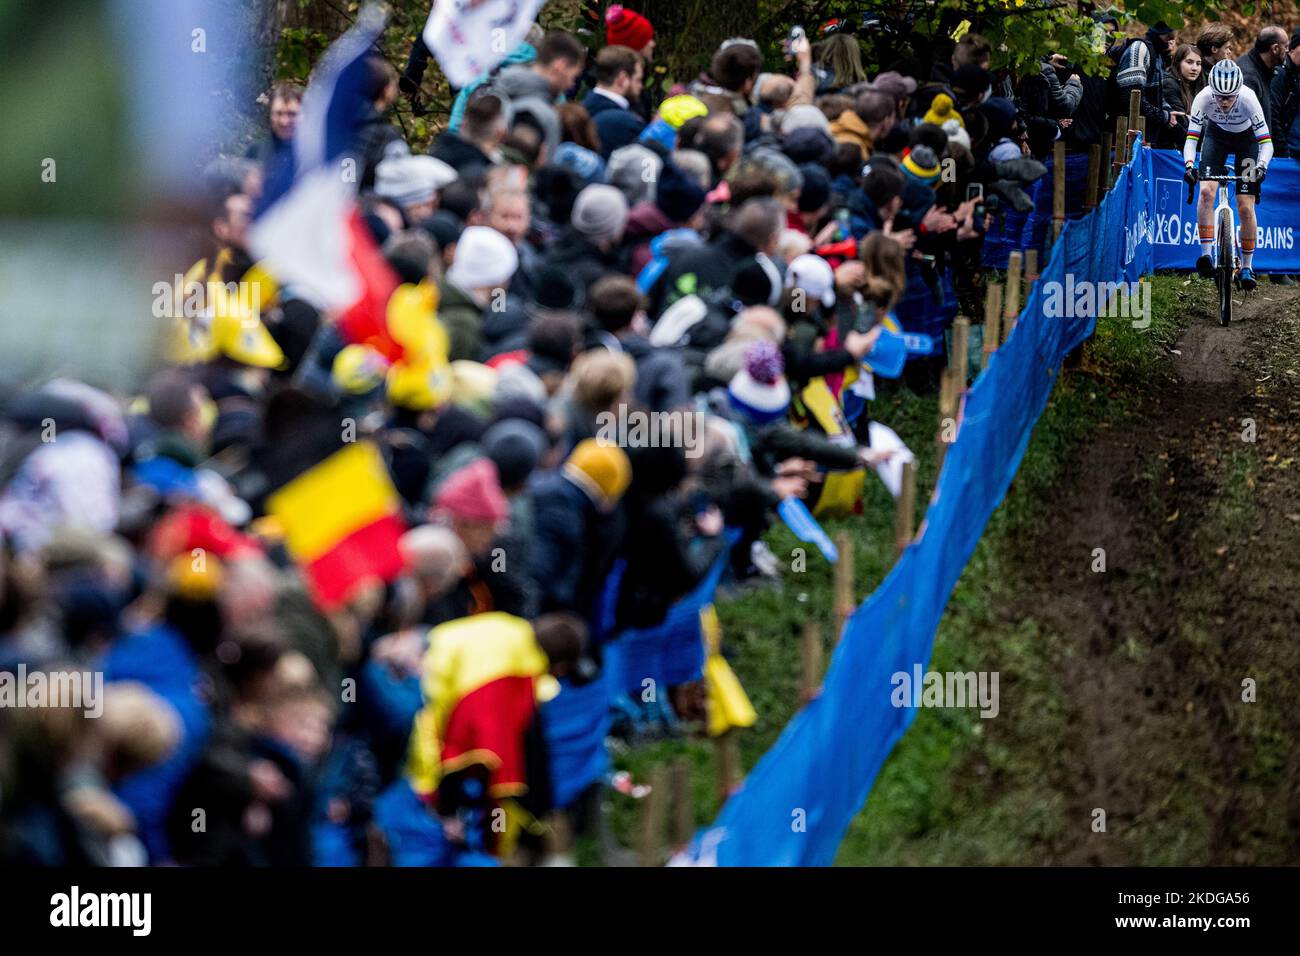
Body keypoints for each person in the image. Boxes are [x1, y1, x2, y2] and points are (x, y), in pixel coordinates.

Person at [1183, 59, 1273, 290]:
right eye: (1219, 96)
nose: (1223, 102)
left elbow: (1267, 144)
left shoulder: (1248, 98)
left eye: (1229, 97)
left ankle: (1246, 267)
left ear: (1238, 91)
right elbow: (1192, 139)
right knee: (1205, 191)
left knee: (1245, 205)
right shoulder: (1203, 98)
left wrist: (1261, 167)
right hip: (1217, 136)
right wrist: (1190, 165)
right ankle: (1206, 256)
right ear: (1211, 91)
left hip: (1247, 141)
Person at [581, 46, 647, 158]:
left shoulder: (581, 109)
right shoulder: (627, 123)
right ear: (622, 79)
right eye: (638, 80)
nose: (641, 86)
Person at [1161, 44, 1206, 150]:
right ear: (1178, 63)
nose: (1194, 68)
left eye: (1198, 64)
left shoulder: (1194, 85)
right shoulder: (1169, 84)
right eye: (1189, 62)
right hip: (1171, 149)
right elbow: (1183, 123)